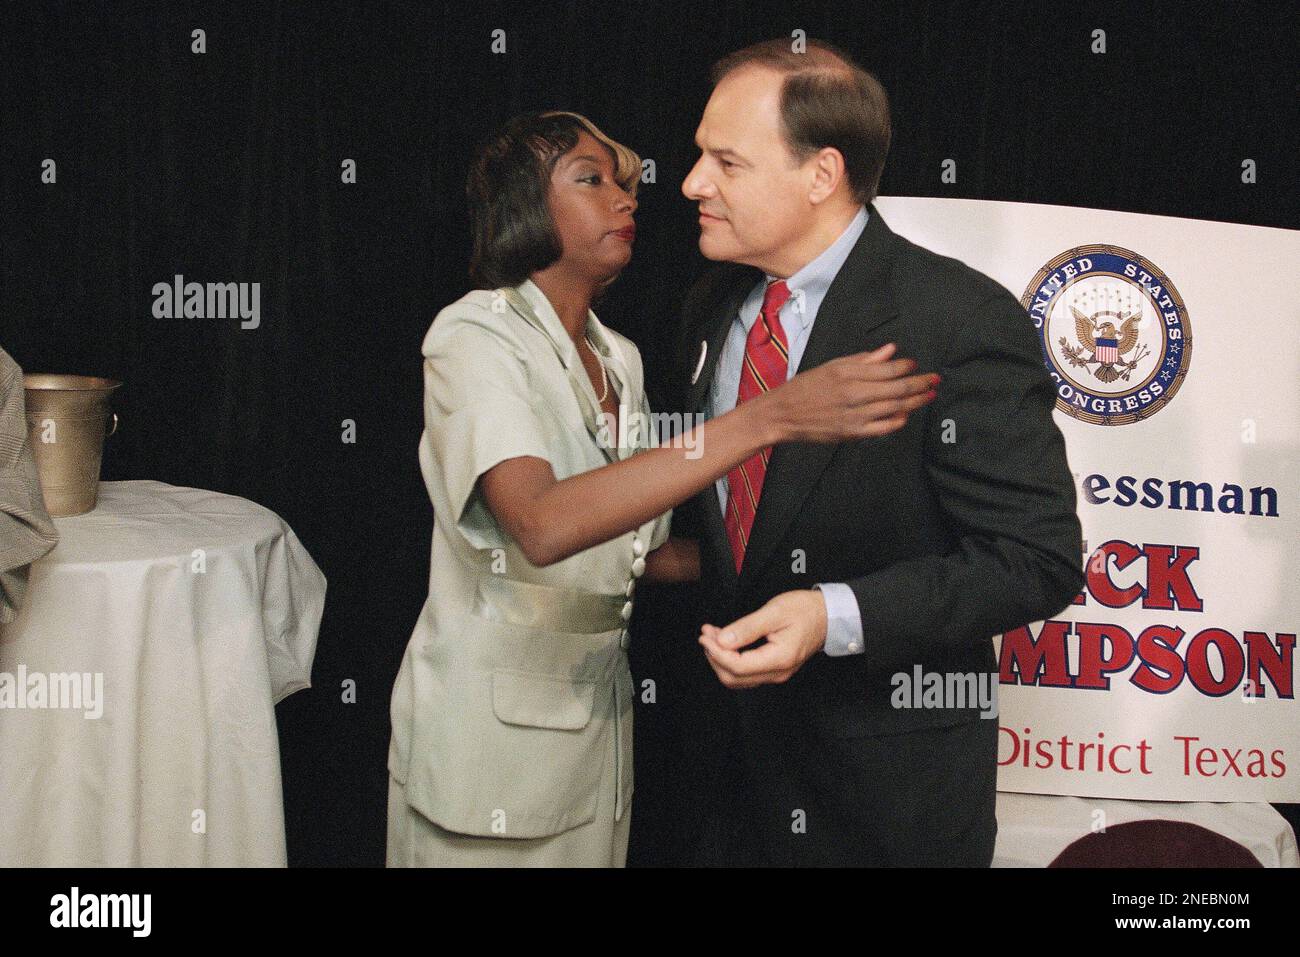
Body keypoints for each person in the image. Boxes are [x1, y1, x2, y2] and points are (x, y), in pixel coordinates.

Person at [385, 110, 940, 867]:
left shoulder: (621, 358)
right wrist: (767, 419)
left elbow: (639, 555)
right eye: (591, 179)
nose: (627, 198)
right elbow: (543, 526)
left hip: (598, 739)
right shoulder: (474, 335)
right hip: (489, 748)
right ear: (523, 205)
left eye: (623, 182)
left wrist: (817, 577)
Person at [664, 39, 1084, 866]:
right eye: (696, 155)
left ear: (821, 175)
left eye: (726, 161)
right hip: (718, 791)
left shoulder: (955, 318)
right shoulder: (710, 307)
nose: (691, 184)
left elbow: (1036, 559)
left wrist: (832, 615)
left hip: (882, 811)